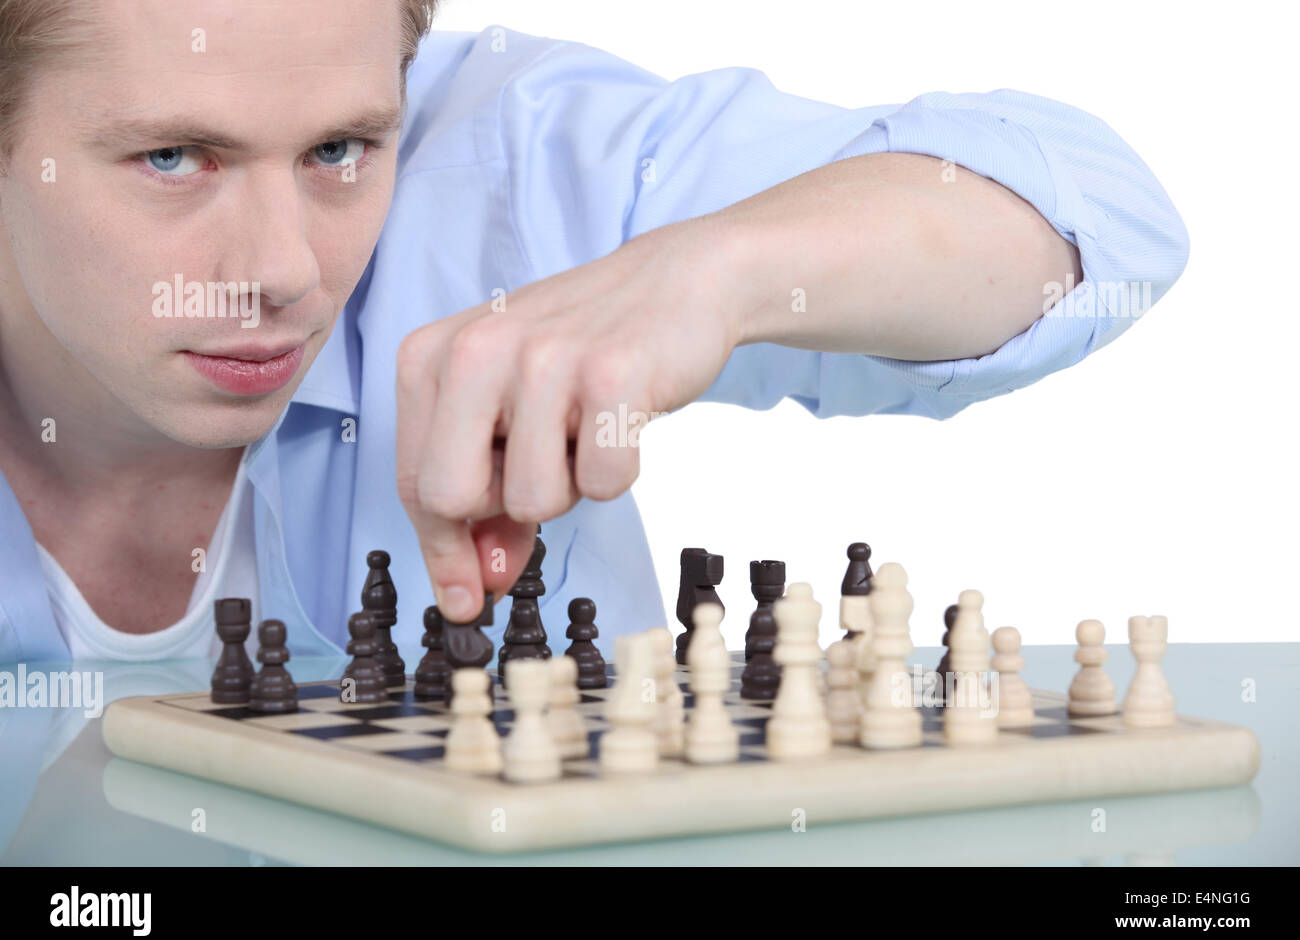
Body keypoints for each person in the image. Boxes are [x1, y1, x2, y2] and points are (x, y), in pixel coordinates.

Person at [0, 1, 1188, 664]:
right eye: (171, 158)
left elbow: (1101, 222)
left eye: (338, 150)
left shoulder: (518, 166)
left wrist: (710, 272)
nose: (280, 272)